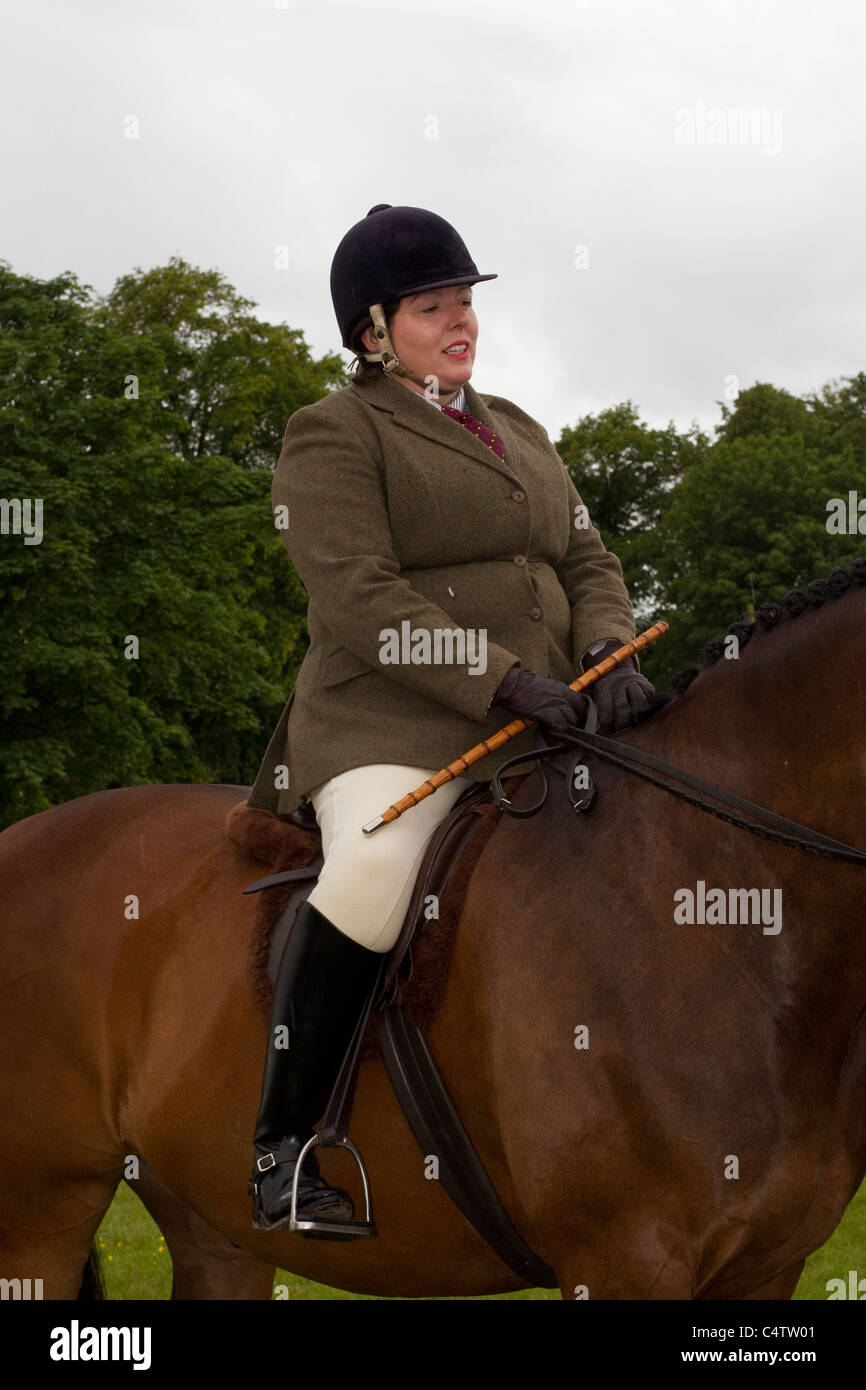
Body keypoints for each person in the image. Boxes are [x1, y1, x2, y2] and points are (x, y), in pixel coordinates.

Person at [245, 203, 654, 1236]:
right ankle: (284, 1147)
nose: (460, 321)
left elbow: (587, 560)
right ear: (374, 329)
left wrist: (606, 649)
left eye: (465, 302)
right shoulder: (332, 432)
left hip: (549, 718)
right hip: (392, 728)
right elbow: (359, 599)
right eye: (434, 306)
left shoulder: (518, 427)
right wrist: (504, 679)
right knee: (376, 867)